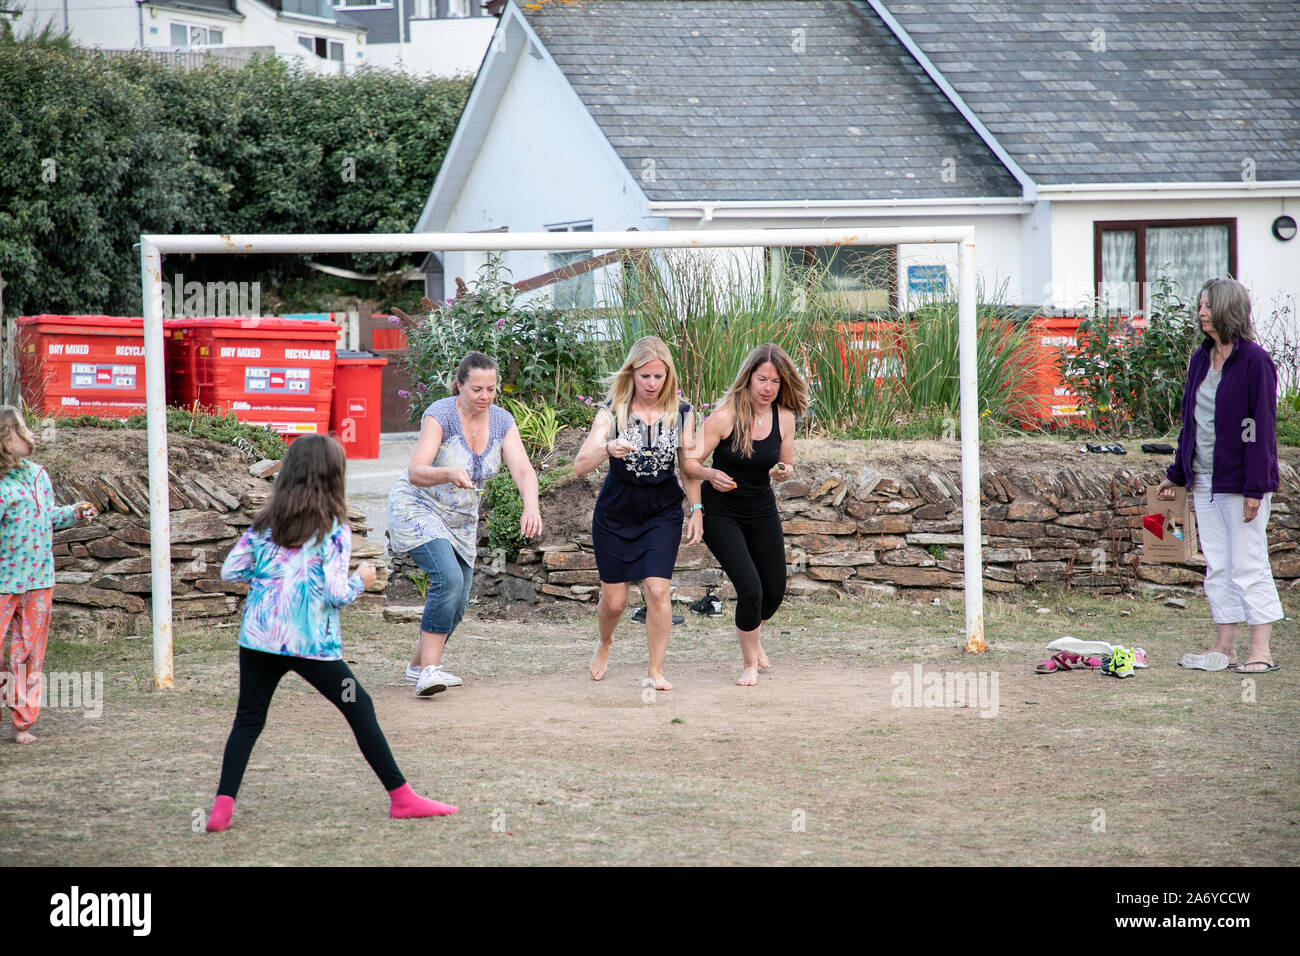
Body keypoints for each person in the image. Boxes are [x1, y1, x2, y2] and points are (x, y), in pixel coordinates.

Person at [206, 434, 455, 831]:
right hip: (312, 647)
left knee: (248, 720)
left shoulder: (266, 524)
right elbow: (337, 595)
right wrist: (363, 579)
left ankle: (221, 808)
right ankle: (402, 798)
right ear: (333, 476)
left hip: (259, 642)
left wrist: (273, 580)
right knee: (359, 707)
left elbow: (230, 571)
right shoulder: (333, 530)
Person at [387, 352, 542, 696]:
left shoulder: (502, 421)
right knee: (448, 578)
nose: (485, 396)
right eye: (477, 389)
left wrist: (531, 506)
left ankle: (417, 667)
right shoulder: (440, 414)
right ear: (459, 385)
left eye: (491, 389)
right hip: (418, 507)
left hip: (460, 520)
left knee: (458, 602)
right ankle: (430, 670)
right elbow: (416, 471)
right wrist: (447, 472)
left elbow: (523, 470)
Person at [1157, 277, 1283, 674]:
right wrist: (1177, 473)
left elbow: (1260, 428)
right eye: (1199, 306)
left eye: (1208, 306)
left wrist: (1255, 488)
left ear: (1228, 308)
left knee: (1249, 564)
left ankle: (1260, 651)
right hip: (1204, 480)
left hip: (1241, 483)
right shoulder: (1201, 357)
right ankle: (1225, 648)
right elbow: (1190, 423)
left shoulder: (1255, 361)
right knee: (1218, 565)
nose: (1201, 313)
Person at [574, 336, 702, 690]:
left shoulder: (682, 411)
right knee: (614, 602)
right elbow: (580, 464)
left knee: (658, 591)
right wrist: (607, 447)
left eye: (658, 377)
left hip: (662, 510)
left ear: (668, 377)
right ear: (631, 373)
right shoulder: (612, 410)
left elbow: (688, 466)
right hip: (616, 513)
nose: (651, 384)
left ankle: (655, 670)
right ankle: (605, 641)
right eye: (645, 376)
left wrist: (697, 509)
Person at [683, 343, 809, 686]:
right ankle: (749, 663)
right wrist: (710, 474)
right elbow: (689, 462)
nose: (768, 388)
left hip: (761, 507)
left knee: (774, 592)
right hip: (721, 512)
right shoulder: (724, 416)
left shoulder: (784, 417)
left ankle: (751, 634)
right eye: (762, 380)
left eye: (775, 382)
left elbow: (786, 462)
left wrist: (785, 471)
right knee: (751, 590)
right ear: (749, 378)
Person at [0, 408, 96, 743]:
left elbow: (47, 518)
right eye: (20, 428)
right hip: (2, 582)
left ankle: (21, 721)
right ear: (3, 439)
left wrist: (74, 514)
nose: (29, 433)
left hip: (39, 580)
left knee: (28, 653)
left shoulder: (40, 475)